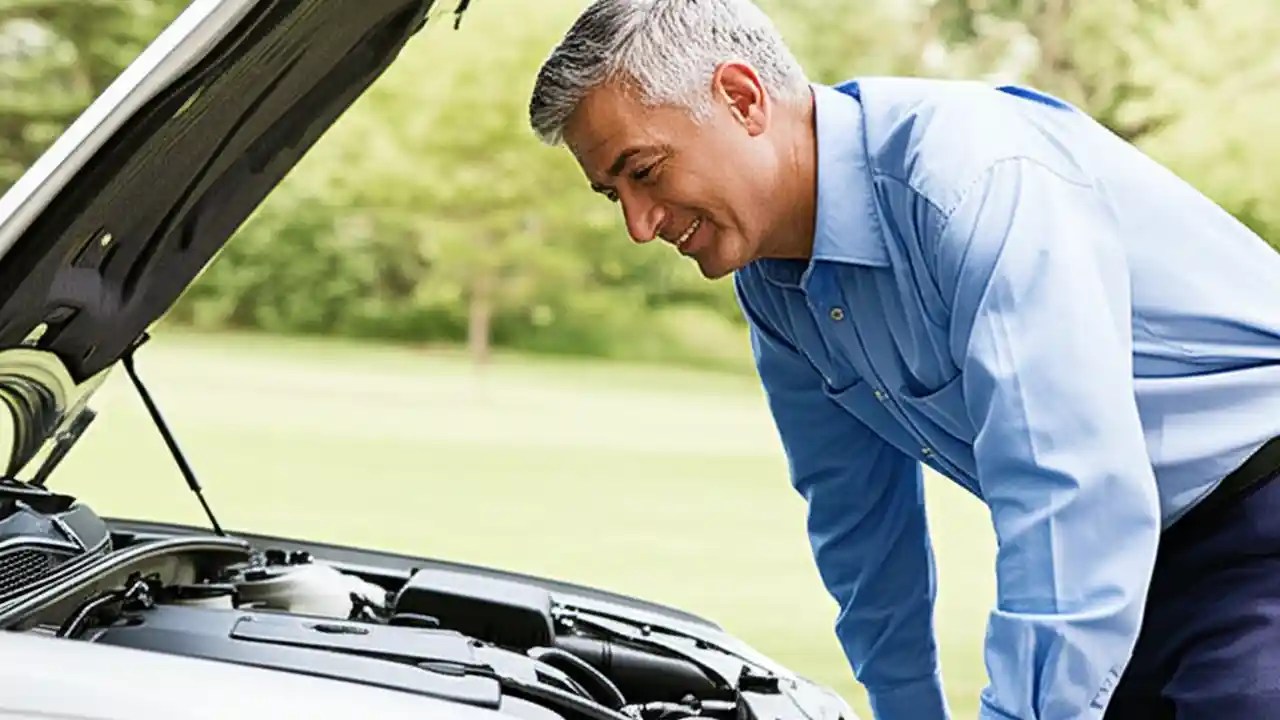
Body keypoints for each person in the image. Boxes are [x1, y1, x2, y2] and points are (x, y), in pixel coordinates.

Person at [525, 1, 1280, 718]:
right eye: (611, 193)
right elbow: (858, 520)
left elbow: (1067, 491)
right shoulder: (773, 284)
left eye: (645, 172)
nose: (638, 224)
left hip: (1259, 512)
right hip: (1142, 555)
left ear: (742, 97)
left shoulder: (973, 180)